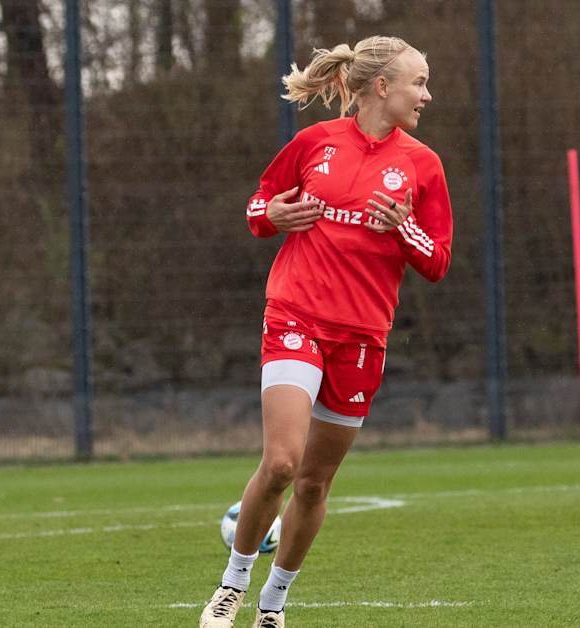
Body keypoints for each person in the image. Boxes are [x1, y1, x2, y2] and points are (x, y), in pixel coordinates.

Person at [199, 35, 452, 628]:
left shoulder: (424, 164)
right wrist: (273, 216)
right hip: (296, 316)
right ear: (381, 87)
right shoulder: (315, 143)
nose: (427, 94)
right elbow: (259, 206)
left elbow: (437, 260)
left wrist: (403, 230)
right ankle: (231, 585)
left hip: (363, 336)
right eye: (418, 82)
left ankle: (273, 604)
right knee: (283, 462)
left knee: (313, 484)